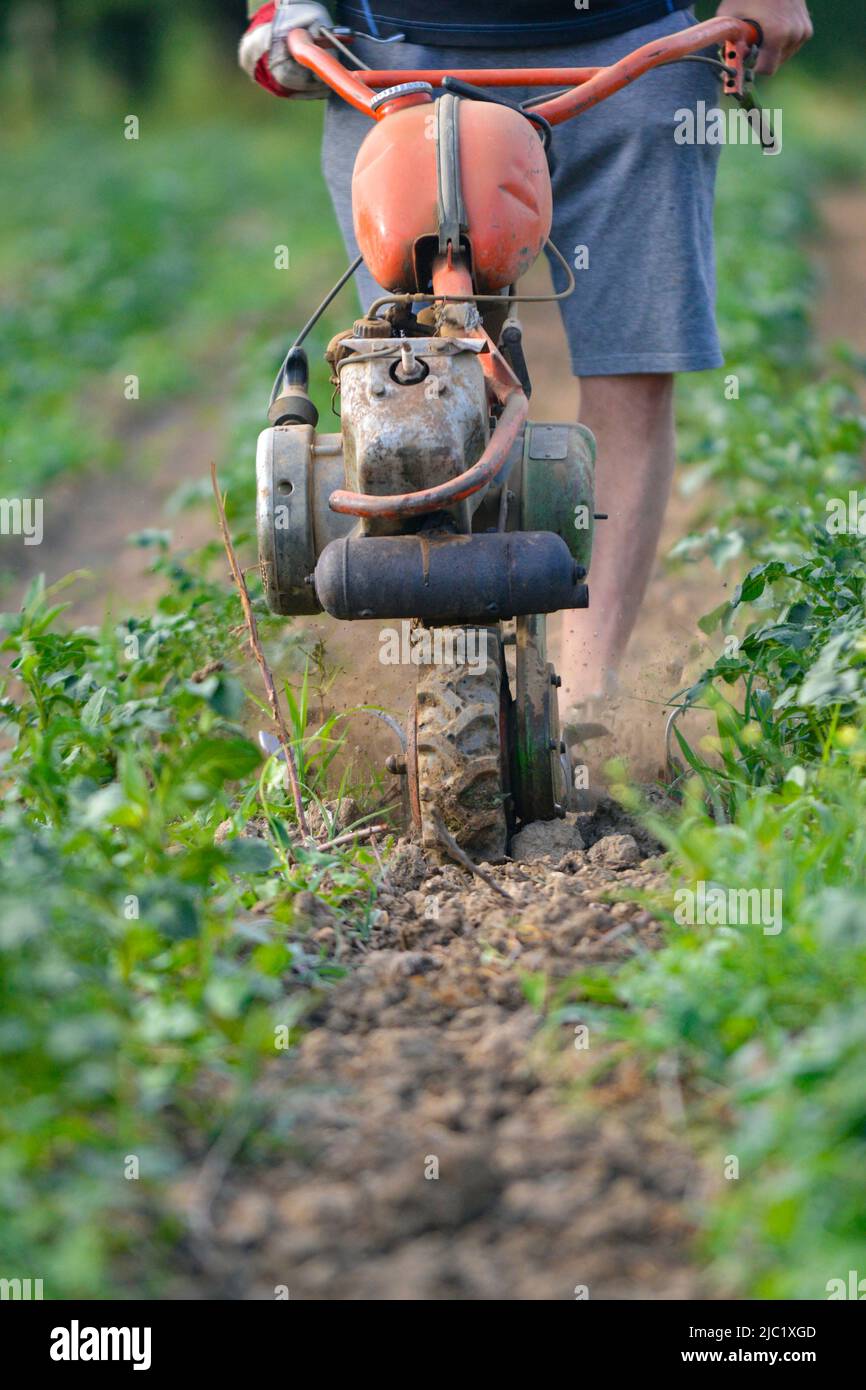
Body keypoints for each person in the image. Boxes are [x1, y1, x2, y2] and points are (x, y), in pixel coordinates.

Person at [239, 0, 812, 715]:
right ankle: (447, 692)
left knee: (632, 370)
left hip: (634, 55)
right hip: (389, 63)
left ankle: (585, 704)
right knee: (409, 377)